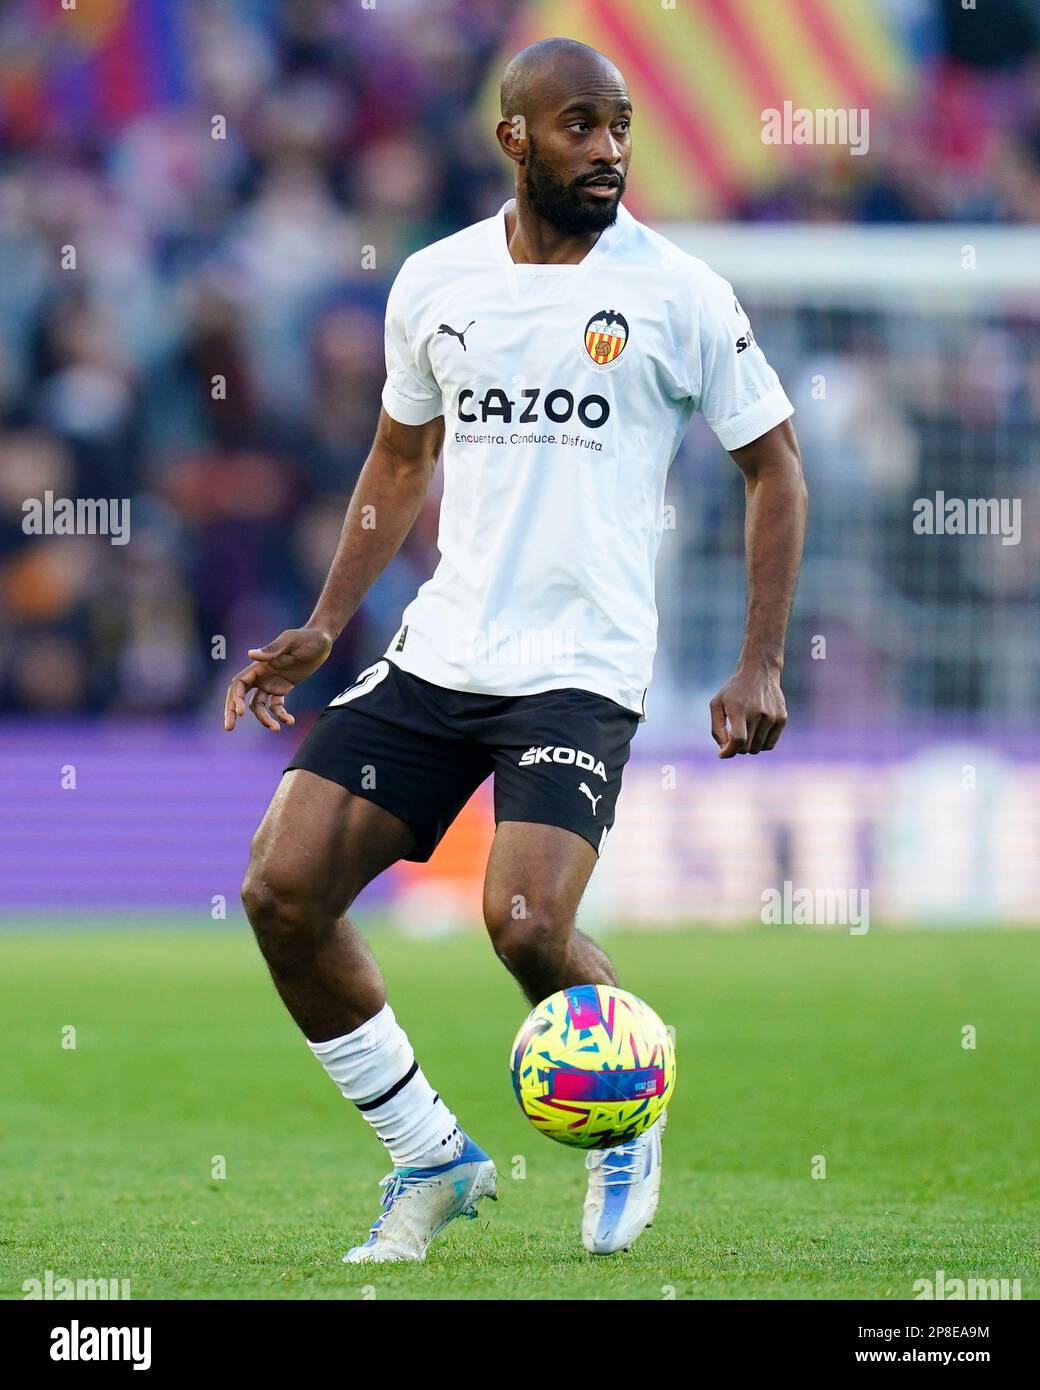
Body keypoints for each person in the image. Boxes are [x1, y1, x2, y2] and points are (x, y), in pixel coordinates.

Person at [225, 37, 807, 1263]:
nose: (607, 151)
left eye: (619, 127)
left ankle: (623, 1128)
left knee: (526, 923)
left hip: (577, 666)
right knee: (281, 891)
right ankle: (428, 1153)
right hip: (443, 652)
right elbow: (399, 458)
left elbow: (774, 467)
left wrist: (760, 658)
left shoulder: (678, 291)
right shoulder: (435, 282)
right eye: (580, 127)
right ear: (514, 139)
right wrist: (327, 625)